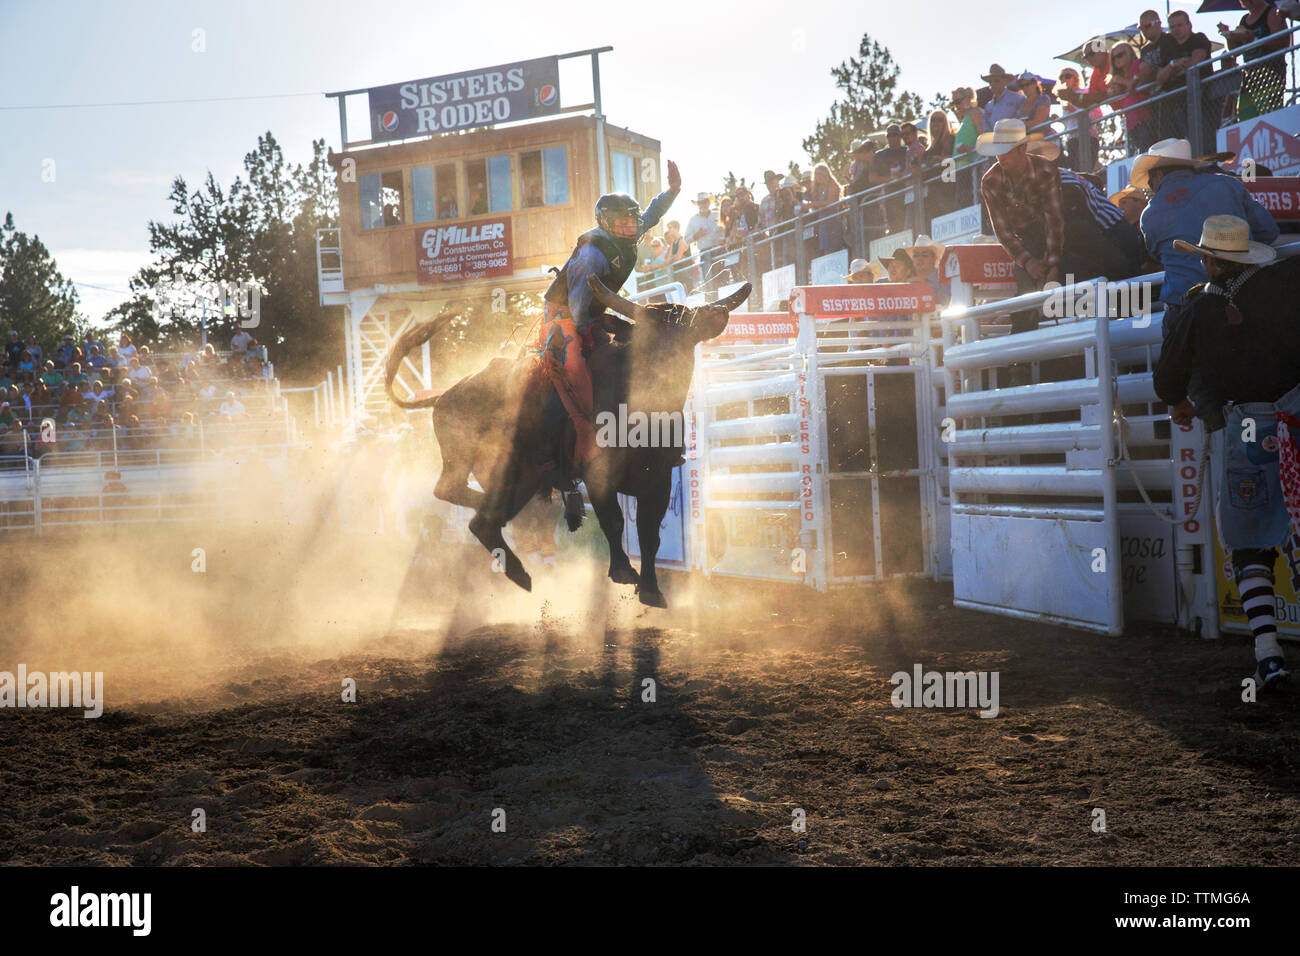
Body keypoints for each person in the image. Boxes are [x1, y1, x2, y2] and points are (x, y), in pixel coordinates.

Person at [1152, 214, 1300, 690]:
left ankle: (1268, 653)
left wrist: (1180, 404)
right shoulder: (1289, 278)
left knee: (1249, 539)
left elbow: (1167, 379)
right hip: (1297, 412)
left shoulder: (1199, 308)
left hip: (1250, 426)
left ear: (1210, 260)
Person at [535, 161, 682, 499]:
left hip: (593, 308)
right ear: (606, 224)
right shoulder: (592, 255)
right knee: (575, 374)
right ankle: (549, 457)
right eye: (624, 224)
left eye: (633, 223)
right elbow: (579, 309)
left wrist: (673, 191)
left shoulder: (628, 228)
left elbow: (653, 212)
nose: (632, 229)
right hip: (562, 315)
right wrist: (597, 329)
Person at [1133, 138, 1278, 309]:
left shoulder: (1150, 214)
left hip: (1186, 307)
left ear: (1158, 175)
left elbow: (1158, 254)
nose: (1152, 188)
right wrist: (1234, 251)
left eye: (1150, 183)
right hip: (1244, 296)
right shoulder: (1228, 184)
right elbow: (1268, 231)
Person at [1220, 0, 1288, 121]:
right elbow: (1234, 52)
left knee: (1270, 116)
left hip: (1270, 73)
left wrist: (1254, 39)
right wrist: (1228, 36)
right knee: (1245, 117)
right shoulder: (1244, 19)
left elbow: (1282, 42)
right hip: (1249, 75)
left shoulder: (1272, 13)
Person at [1105, 41, 1155, 155]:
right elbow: (1116, 105)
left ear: (1129, 53)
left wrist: (1123, 81)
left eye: (1120, 55)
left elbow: (1140, 86)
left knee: (1146, 154)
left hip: (1144, 119)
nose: (1116, 59)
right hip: (1131, 124)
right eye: (1113, 58)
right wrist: (1112, 92)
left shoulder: (1137, 64)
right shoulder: (1117, 77)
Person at [809, 163, 845, 254]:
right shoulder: (819, 188)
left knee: (835, 248)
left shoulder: (832, 184)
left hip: (833, 220)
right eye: (815, 174)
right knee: (826, 250)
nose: (816, 177)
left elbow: (830, 202)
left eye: (818, 174)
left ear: (824, 174)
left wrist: (812, 204)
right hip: (823, 222)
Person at [908, 235, 950, 307]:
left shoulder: (943, 277)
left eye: (924, 255)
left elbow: (948, 301)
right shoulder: (908, 279)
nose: (919, 258)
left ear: (934, 259)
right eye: (915, 255)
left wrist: (925, 289)